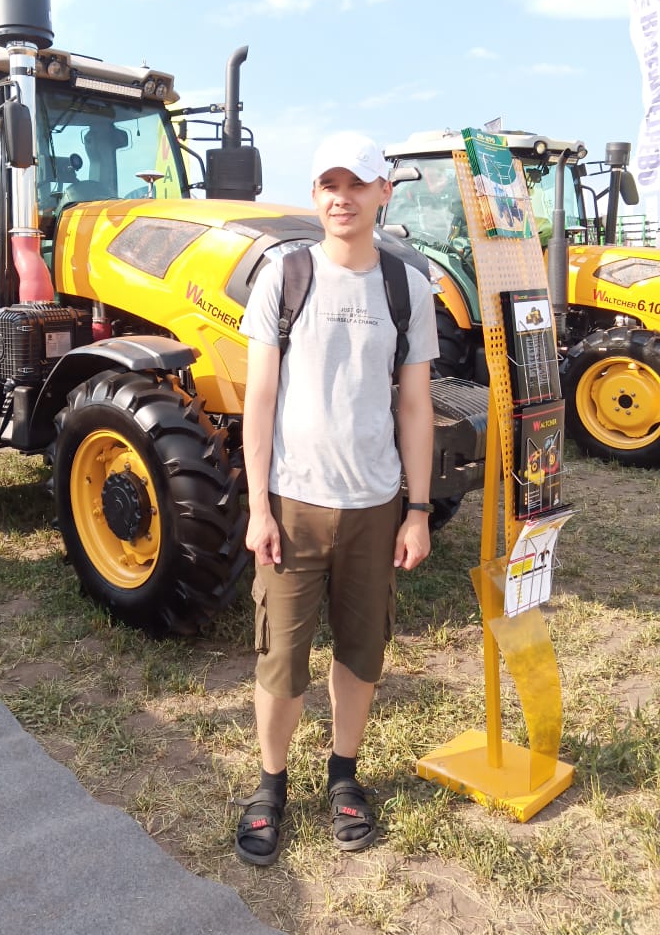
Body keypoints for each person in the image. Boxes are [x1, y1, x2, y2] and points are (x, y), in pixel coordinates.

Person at [234, 131, 438, 866]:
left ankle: (344, 775)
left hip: (376, 506)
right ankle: (270, 785)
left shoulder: (406, 285)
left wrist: (416, 511)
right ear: (314, 194)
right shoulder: (283, 276)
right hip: (292, 505)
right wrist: (257, 508)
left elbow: (414, 407)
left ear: (384, 192)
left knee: (361, 651)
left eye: (357, 183)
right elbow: (259, 400)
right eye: (329, 184)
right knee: (281, 659)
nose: (341, 197)